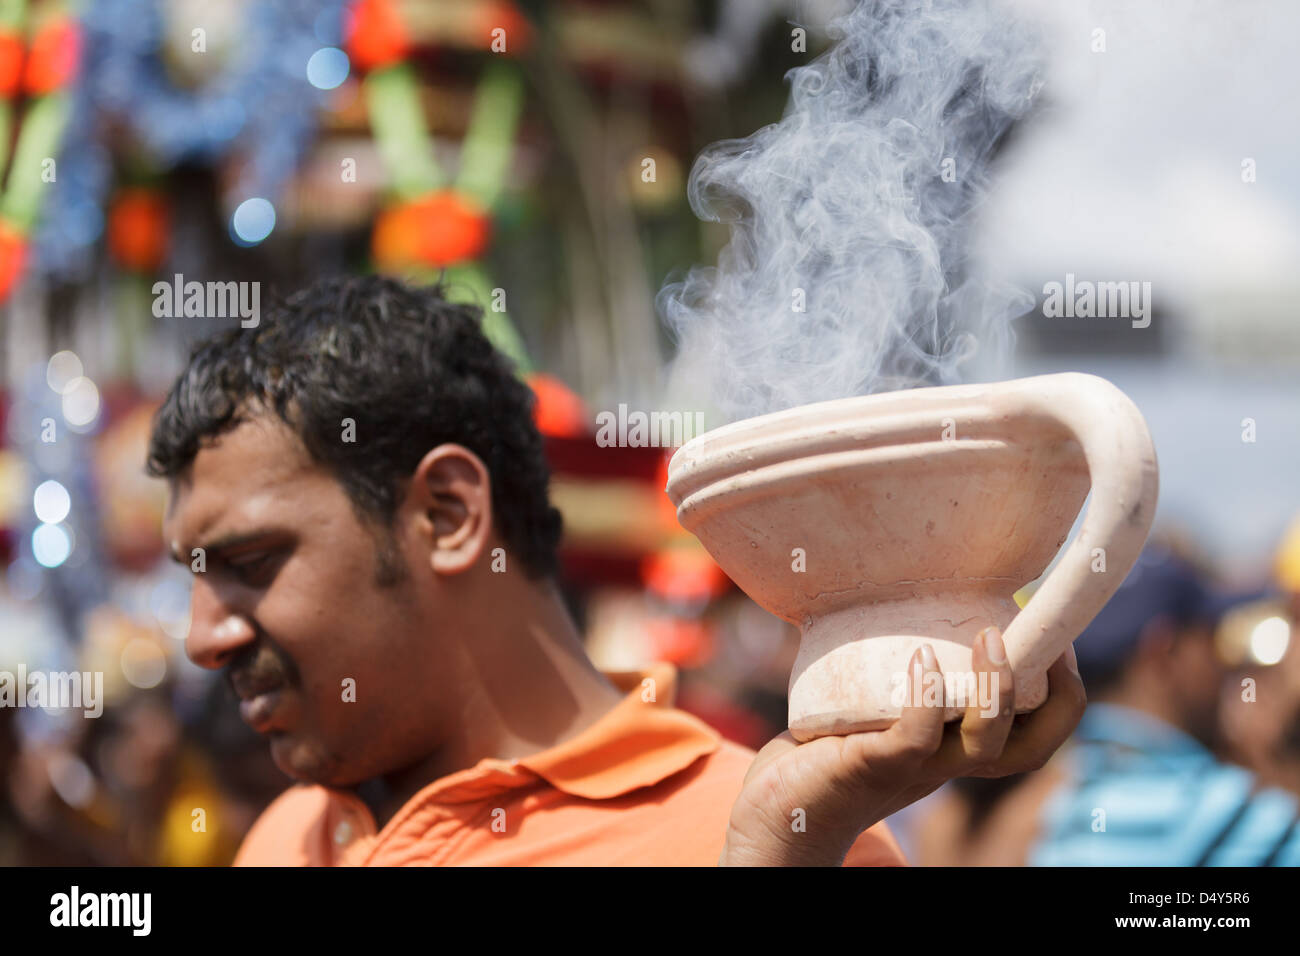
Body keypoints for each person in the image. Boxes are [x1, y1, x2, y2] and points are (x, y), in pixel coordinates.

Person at [145, 275, 1085, 866]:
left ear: (448, 515)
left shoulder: (763, 832)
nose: (202, 637)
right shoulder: (288, 837)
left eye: (250, 565)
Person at [1029, 543, 1300, 865]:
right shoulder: (1236, 816)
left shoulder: (1053, 809)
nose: (1224, 666)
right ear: (1165, 654)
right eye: (1211, 639)